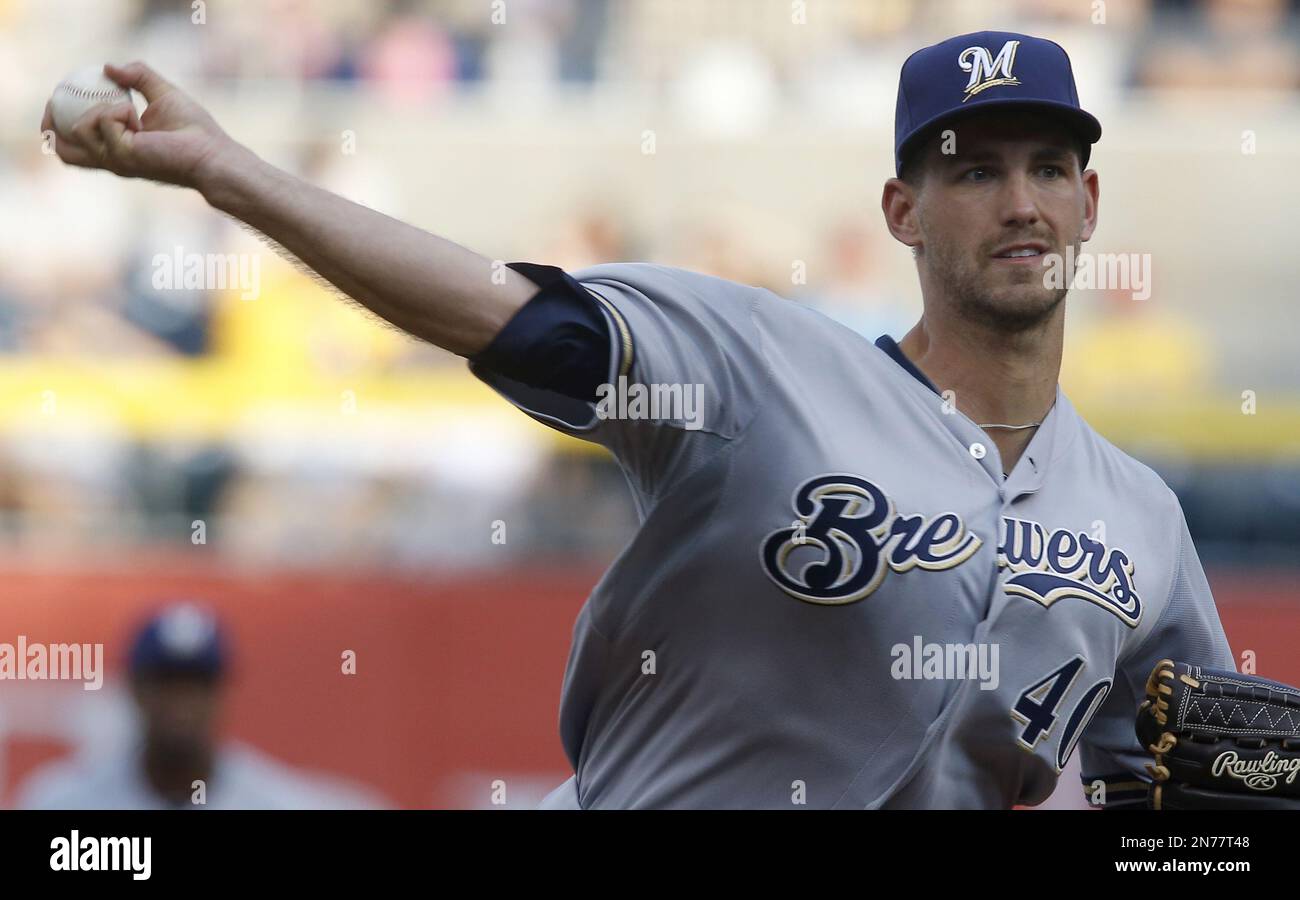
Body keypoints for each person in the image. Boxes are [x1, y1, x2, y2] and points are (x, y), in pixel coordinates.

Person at [42, 30, 1233, 809]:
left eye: (1044, 167)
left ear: (1088, 202)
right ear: (901, 211)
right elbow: (506, 315)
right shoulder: (757, 367)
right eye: (972, 170)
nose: (1016, 201)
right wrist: (228, 170)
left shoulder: (1141, 522)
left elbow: (1204, 802)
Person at [16, 603, 383, 809]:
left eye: (195, 685)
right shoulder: (64, 799)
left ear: (221, 693)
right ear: (134, 689)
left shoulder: (276, 801)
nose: (181, 703)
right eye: (166, 683)